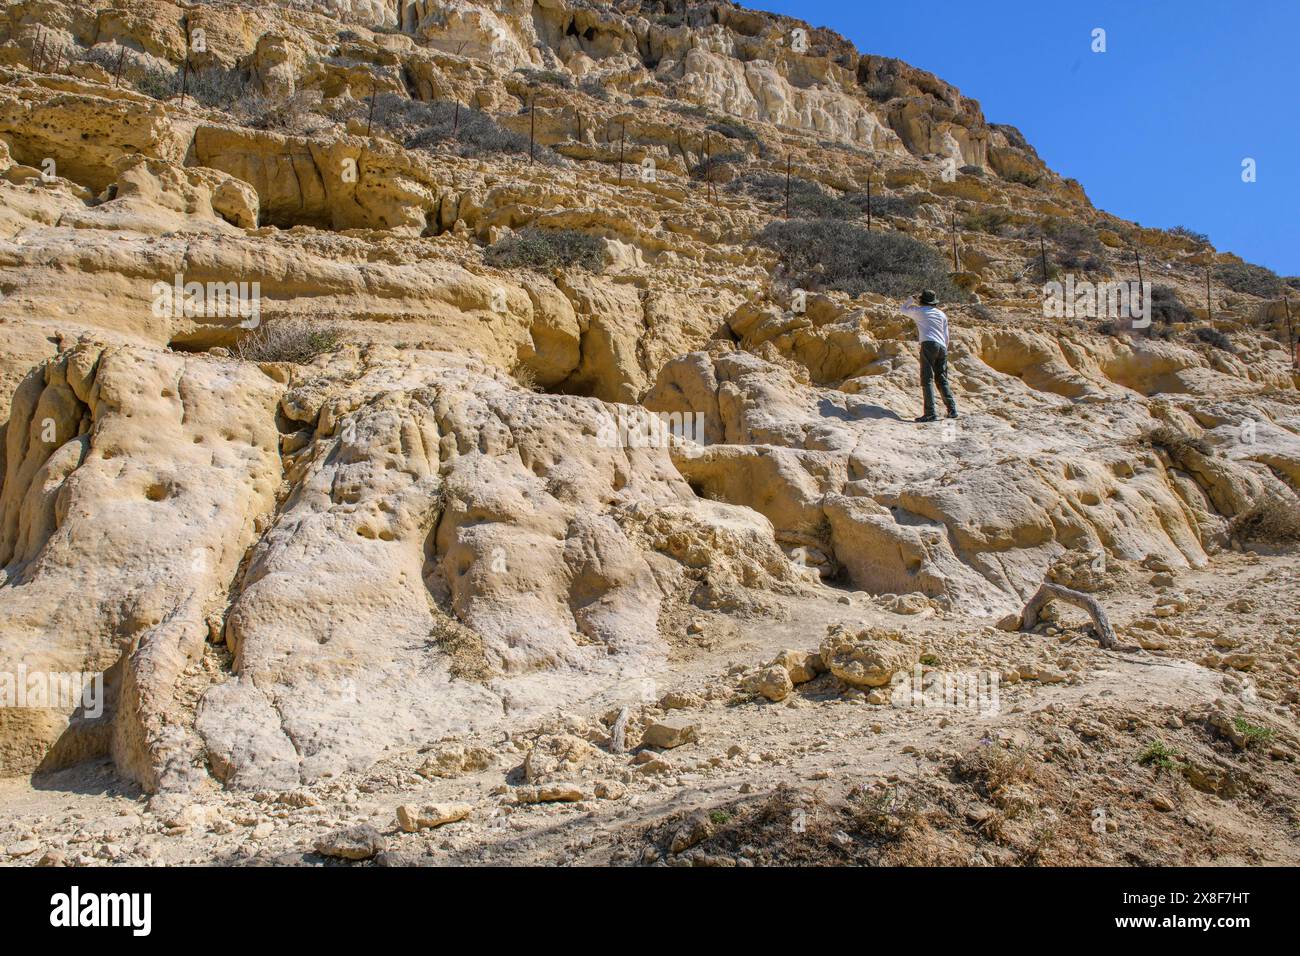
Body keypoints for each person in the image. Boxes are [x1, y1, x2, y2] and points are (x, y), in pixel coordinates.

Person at [899, 289, 958, 422]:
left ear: (922, 301)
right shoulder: (942, 314)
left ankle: (930, 413)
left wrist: (910, 300)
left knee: (927, 379)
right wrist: (945, 350)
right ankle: (952, 409)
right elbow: (946, 335)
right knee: (942, 379)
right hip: (942, 346)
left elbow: (902, 310)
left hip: (929, 345)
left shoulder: (919, 312)